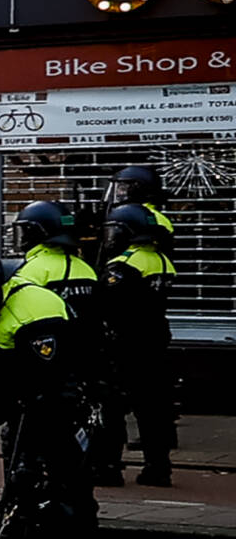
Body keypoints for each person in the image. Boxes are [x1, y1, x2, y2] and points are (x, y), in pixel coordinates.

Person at [0, 241, 94, 539]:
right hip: (25, 408)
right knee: (20, 485)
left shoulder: (34, 309)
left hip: (58, 409)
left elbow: (47, 379)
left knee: (65, 488)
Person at [8, 202, 113, 485]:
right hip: (86, 364)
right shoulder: (87, 270)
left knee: (28, 438)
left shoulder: (30, 272)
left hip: (44, 369)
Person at [103, 201, 179, 488]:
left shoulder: (123, 265)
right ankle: (158, 468)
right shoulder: (161, 260)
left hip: (125, 345)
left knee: (112, 409)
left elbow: (109, 305)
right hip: (156, 340)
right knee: (153, 411)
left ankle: (110, 467)